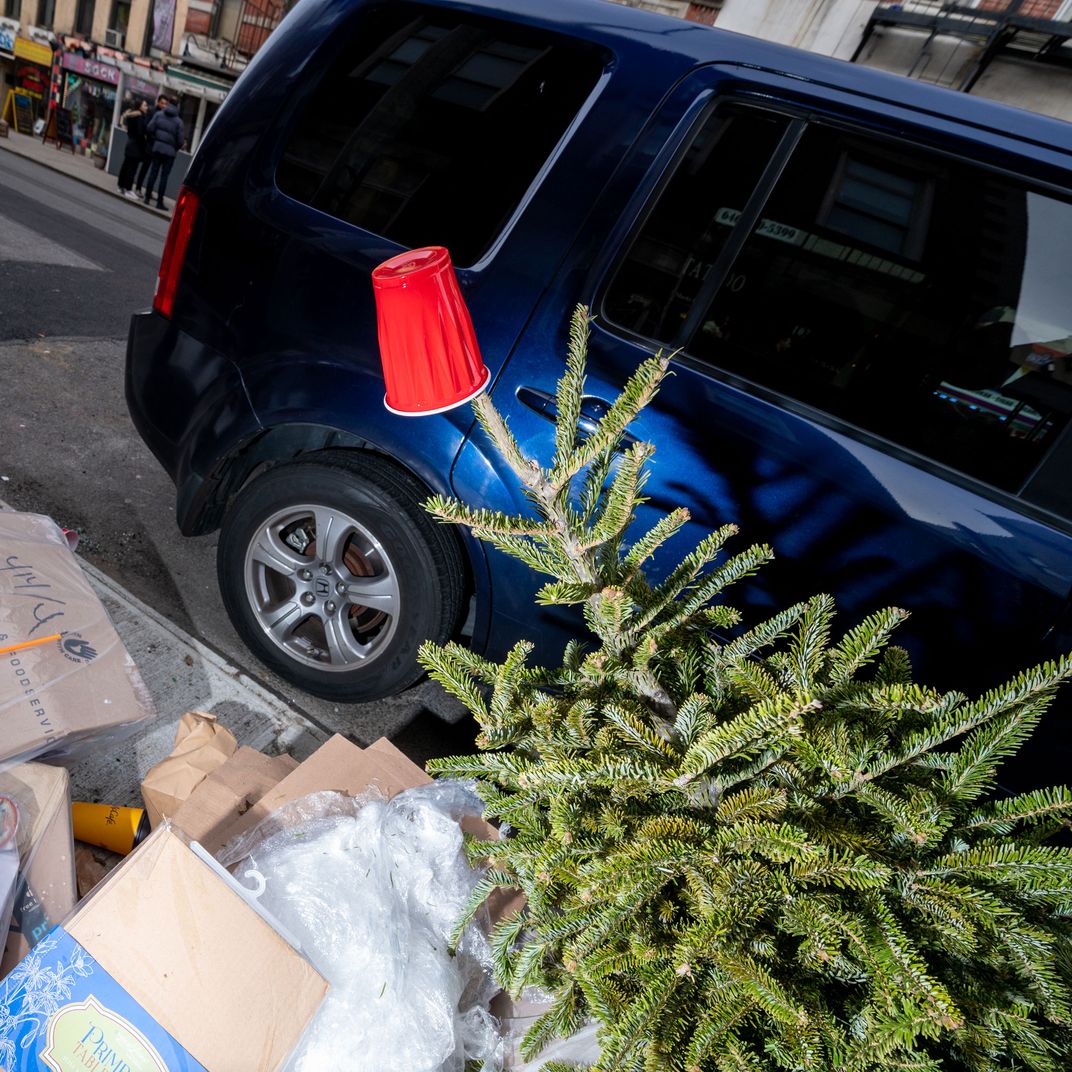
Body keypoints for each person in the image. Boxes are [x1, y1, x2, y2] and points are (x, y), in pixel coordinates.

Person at [143, 95, 185, 211]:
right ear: (177, 106)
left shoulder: (159, 114)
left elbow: (150, 128)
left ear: (168, 103)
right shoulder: (179, 122)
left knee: (153, 173)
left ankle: (146, 198)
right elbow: (180, 141)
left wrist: (157, 139)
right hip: (169, 153)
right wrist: (174, 147)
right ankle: (159, 202)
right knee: (164, 177)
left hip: (157, 148)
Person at [117, 99, 150, 200]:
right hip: (136, 146)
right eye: (145, 105)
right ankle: (128, 189)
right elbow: (141, 132)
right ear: (140, 106)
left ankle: (121, 186)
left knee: (126, 166)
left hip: (130, 144)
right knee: (132, 169)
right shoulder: (140, 117)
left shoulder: (131, 116)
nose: (146, 107)